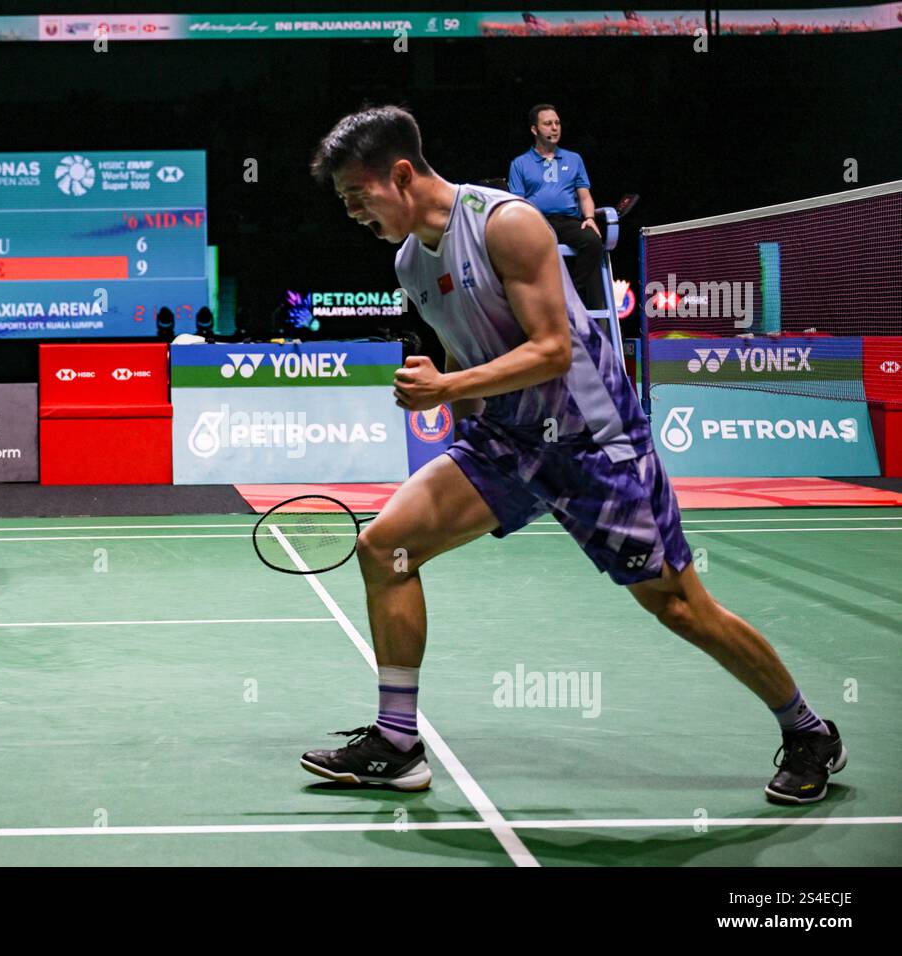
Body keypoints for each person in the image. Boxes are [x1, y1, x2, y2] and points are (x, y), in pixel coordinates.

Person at [302, 105, 846, 805]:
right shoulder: (410, 260)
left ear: (400, 174)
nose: (352, 212)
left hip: (596, 445)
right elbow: (462, 353)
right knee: (387, 548)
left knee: (680, 607)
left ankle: (808, 731)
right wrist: (460, 417)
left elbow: (552, 350)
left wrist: (445, 389)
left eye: (356, 196)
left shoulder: (506, 224)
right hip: (508, 442)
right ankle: (398, 742)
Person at [507, 104, 605, 309]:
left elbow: (585, 196)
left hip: (569, 221)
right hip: (537, 223)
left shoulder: (574, 159)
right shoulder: (520, 163)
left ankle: (571, 296)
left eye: (557, 123)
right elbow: (518, 202)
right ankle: (535, 303)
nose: (554, 128)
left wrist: (589, 218)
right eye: (548, 123)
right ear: (535, 130)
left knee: (593, 242)